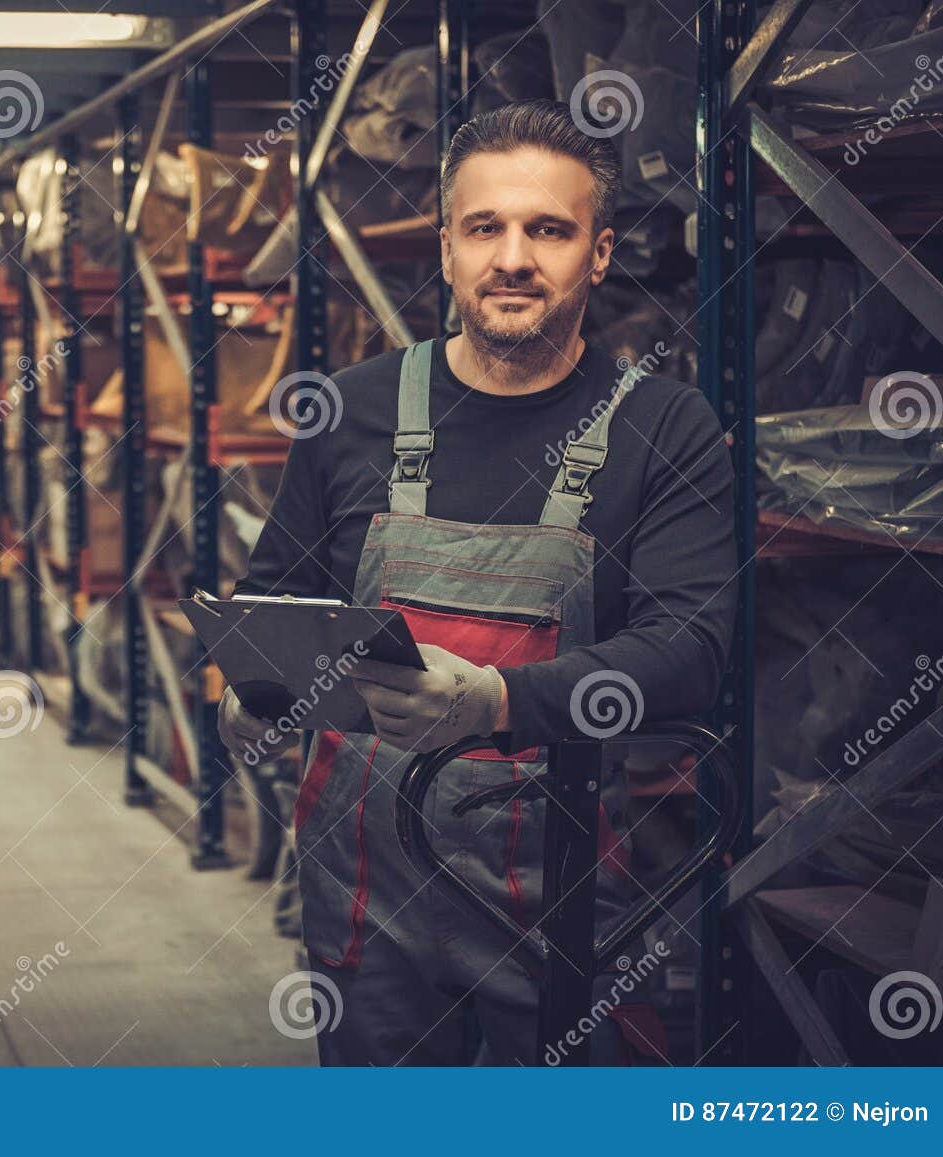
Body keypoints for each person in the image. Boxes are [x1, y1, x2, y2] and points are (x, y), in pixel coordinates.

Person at [221, 100, 737, 1065]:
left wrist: (497, 700)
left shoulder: (667, 426)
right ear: (448, 249)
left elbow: (691, 654)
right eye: (484, 227)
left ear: (600, 252)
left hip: (563, 906)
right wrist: (249, 702)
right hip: (367, 906)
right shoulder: (348, 410)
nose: (513, 257)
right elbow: (272, 600)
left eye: (549, 229)